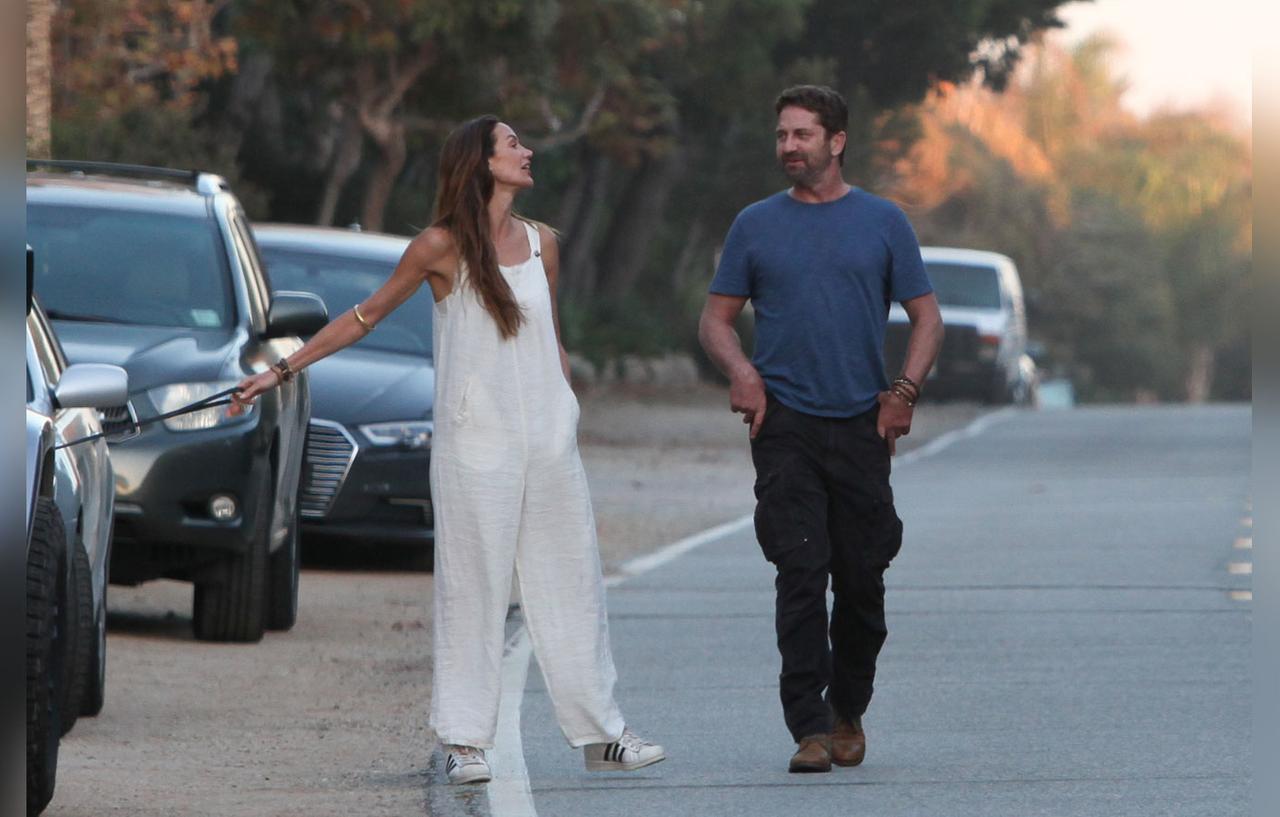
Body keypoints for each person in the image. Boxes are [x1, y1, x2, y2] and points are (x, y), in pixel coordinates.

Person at [231, 114, 664, 785]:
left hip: (550, 441)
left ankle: (602, 733)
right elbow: (362, 316)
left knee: (572, 579)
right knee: (474, 586)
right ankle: (465, 739)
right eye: (512, 143)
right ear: (481, 163)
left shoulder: (544, 243)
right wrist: (279, 371)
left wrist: (566, 408)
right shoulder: (438, 248)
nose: (526, 152)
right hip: (476, 446)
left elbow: (551, 340)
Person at [697, 85, 944, 774]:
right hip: (786, 424)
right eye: (781, 135)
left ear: (836, 141)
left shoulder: (883, 222)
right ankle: (808, 725)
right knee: (800, 569)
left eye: (801, 135)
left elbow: (927, 317)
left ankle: (847, 710)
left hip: (863, 422)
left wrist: (903, 392)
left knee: (862, 577)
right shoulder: (755, 225)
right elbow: (716, 319)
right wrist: (743, 374)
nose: (788, 147)